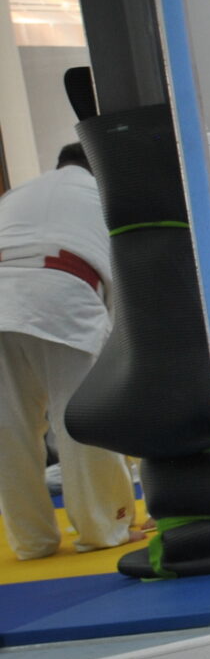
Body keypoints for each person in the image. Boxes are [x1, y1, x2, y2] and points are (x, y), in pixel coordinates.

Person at [0, 143, 141, 559]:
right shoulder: (105, 197)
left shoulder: (19, 193)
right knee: (81, 421)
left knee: (9, 431)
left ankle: (31, 542)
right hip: (63, 292)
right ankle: (104, 530)